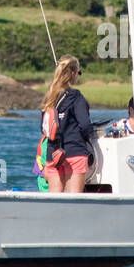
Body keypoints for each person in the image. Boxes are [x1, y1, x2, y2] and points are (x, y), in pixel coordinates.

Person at [40, 55, 93, 193]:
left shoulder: (49, 97)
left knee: (55, 201)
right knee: (73, 201)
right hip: (74, 153)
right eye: (79, 72)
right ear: (73, 73)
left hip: (53, 154)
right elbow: (85, 126)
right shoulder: (76, 96)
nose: (78, 76)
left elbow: (43, 127)